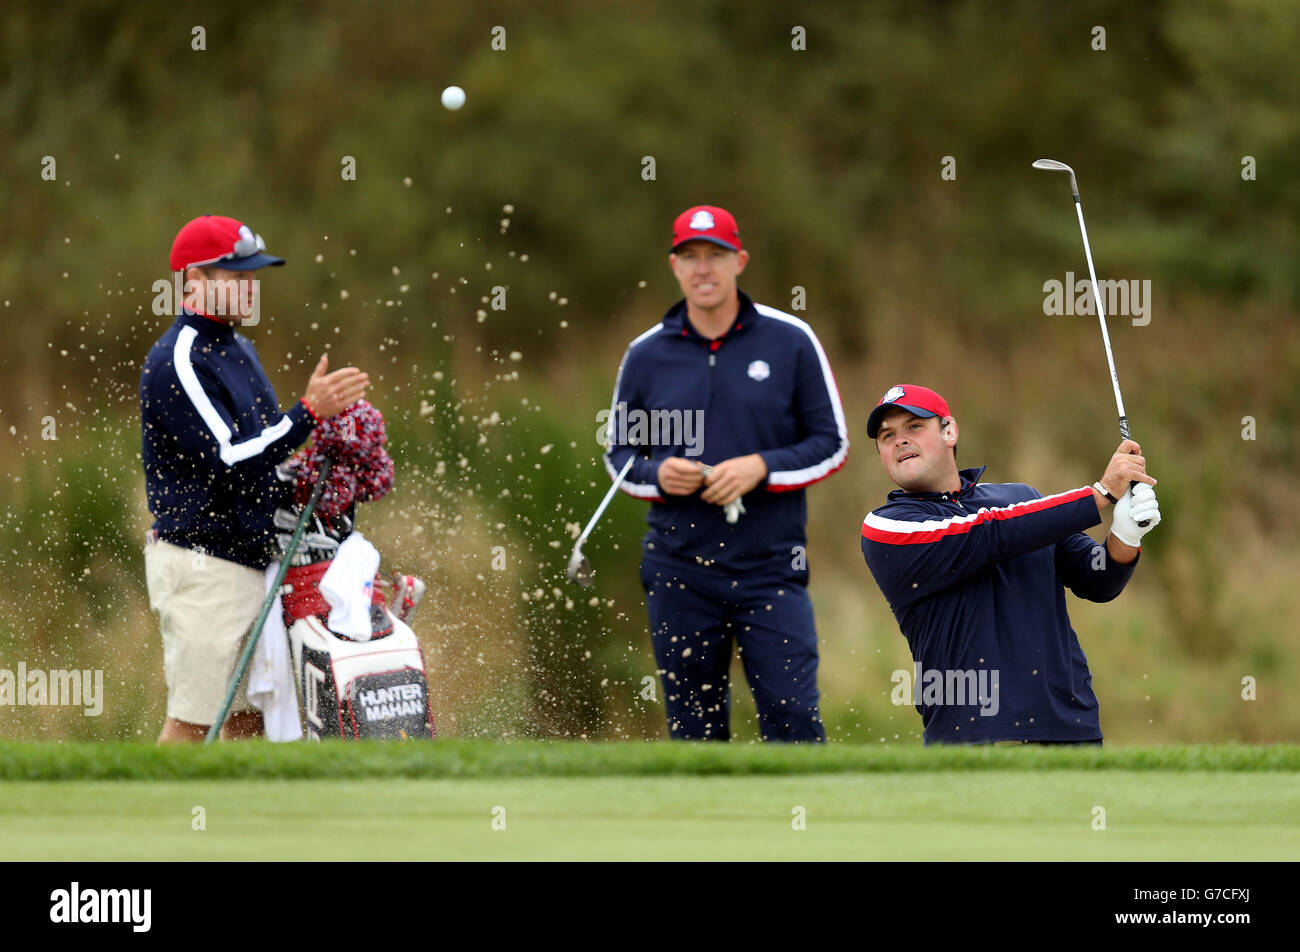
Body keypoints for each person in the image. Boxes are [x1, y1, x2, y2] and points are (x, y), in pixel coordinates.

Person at [603, 205, 849, 742]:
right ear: (674, 266)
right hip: (678, 567)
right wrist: (659, 474)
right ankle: (706, 827)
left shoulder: (790, 339)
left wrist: (761, 467)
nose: (703, 269)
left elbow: (832, 444)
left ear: (739, 260)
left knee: (793, 716)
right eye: (689, 257)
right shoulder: (647, 355)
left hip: (771, 567)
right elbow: (619, 456)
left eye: (715, 255)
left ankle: (807, 824)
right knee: (694, 729)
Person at [140, 214, 369, 743]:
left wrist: (315, 472)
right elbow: (231, 461)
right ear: (193, 279)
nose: (249, 287)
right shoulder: (179, 359)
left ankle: (226, 826)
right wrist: (308, 413)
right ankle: (152, 821)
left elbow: (267, 454)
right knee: (195, 721)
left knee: (247, 721)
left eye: (253, 276)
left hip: (247, 561)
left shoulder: (239, 349)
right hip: (202, 566)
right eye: (236, 275)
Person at [859, 384, 1162, 745]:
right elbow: (989, 534)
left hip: (1070, 729)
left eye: (914, 427)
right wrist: (1099, 495)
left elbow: (1097, 579)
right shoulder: (886, 527)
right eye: (886, 435)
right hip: (972, 737)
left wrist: (1125, 535)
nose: (900, 441)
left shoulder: (1021, 499)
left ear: (949, 431)